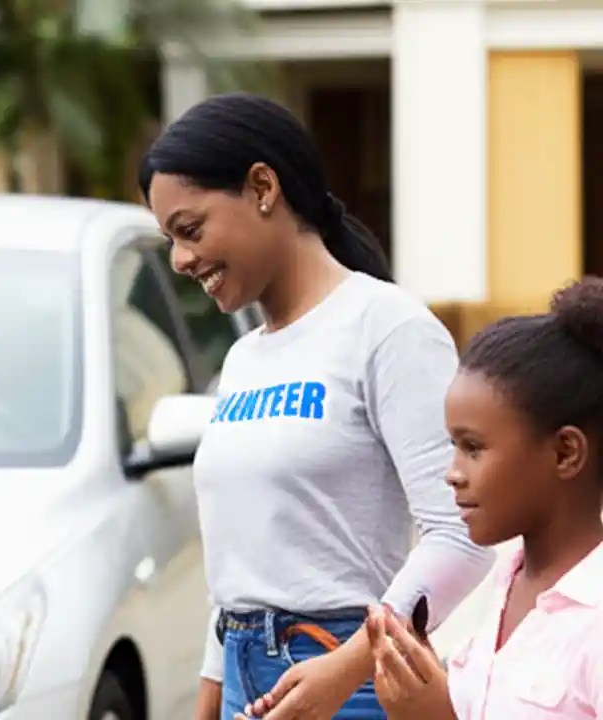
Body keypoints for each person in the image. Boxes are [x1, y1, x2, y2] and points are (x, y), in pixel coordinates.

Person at [135, 92, 495, 720]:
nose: (180, 260)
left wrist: (348, 667)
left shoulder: (389, 328)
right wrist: (210, 700)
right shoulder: (242, 360)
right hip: (244, 674)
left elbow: (463, 536)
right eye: (170, 240)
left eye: (190, 230)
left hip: (350, 679)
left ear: (263, 188)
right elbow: (239, 570)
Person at [369, 277, 603, 719]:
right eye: (453, 447)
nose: (452, 474)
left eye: (473, 448)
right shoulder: (508, 584)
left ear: (565, 453)